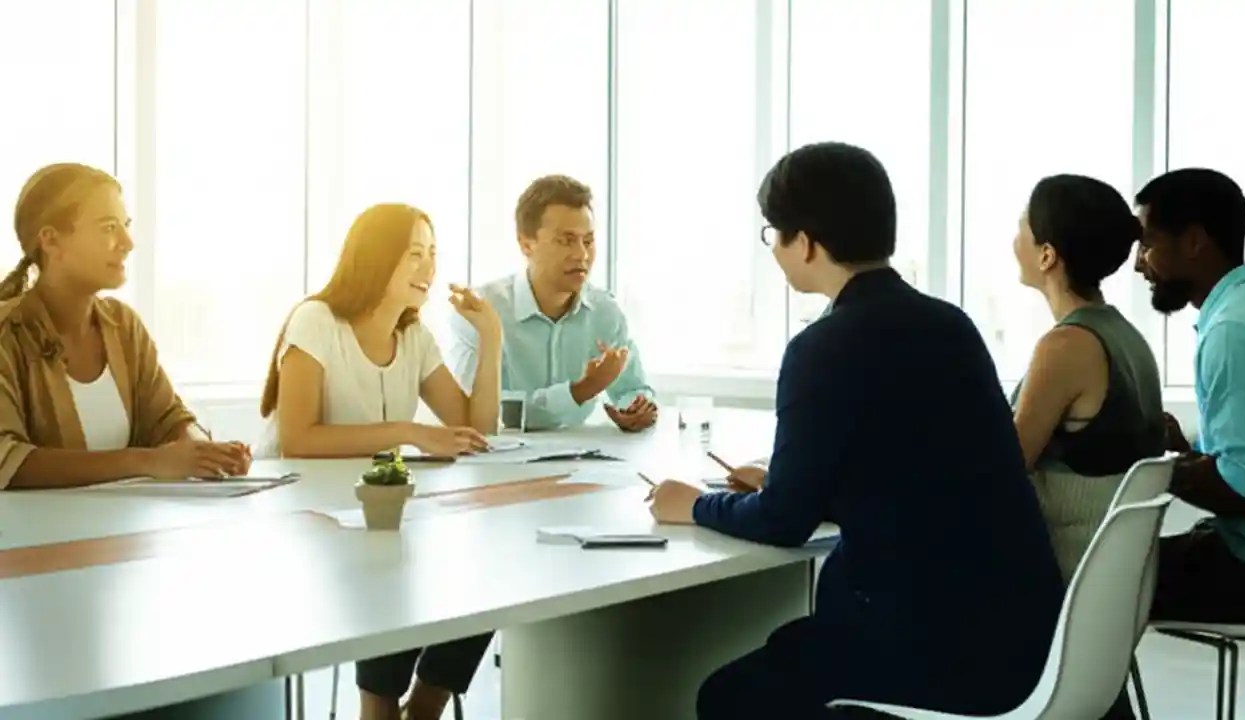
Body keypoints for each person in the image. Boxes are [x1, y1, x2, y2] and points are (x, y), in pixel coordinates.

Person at [646, 143, 1064, 719]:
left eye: (775, 235)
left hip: (927, 649)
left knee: (726, 696)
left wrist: (693, 505)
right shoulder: (951, 325)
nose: (774, 251)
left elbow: (783, 521)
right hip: (1021, 639)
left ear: (808, 243)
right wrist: (796, 482)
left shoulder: (822, 348)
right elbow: (923, 477)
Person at [257, 203, 501, 720]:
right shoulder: (316, 320)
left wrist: (491, 337)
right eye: (413, 254)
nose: (428, 269)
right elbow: (297, 439)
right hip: (299, 522)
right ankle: (381, 707)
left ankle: (423, 707)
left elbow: (475, 429)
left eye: (433, 254)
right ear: (374, 258)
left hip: (373, 516)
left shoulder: (413, 336)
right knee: (386, 573)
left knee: (485, 579)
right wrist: (409, 433)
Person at [0, 163, 250, 490]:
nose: (128, 242)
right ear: (51, 241)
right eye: (108, 228)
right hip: (32, 540)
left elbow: (167, 419)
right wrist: (145, 460)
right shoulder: (8, 332)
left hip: (118, 536)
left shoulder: (123, 325)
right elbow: (8, 460)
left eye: (125, 225)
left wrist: (203, 451)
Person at [1134, 168, 1245, 624]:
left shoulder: (1233, 331)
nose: (1140, 263)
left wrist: (1150, 470)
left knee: (1090, 588)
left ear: (1194, 242)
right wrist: (1184, 452)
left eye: (1149, 243)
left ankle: (1071, 697)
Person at [1010, 174, 1165, 579]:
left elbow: (1003, 468)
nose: (1015, 237)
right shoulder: (1126, 336)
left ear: (1047, 255)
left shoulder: (1066, 347)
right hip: (1109, 581)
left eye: (1021, 226)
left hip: (1062, 576)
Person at [447, 175, 656, 432]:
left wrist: (637, 408)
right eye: (566, 240)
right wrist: (580, 391)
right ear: (526, 244)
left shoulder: (605, 312)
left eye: (588, 241)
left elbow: (632, 389)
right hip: (498, 465)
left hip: (585, 462)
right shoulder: (481, 312)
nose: (582, 254)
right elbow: (487, 415)